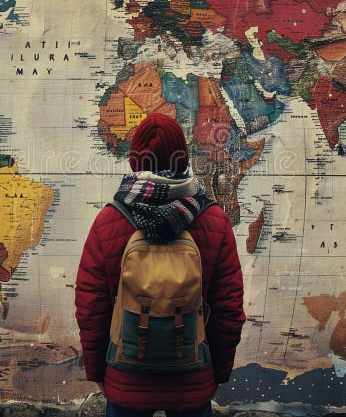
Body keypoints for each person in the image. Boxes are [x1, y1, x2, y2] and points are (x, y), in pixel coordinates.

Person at [75, 112, 246, 416]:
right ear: (182, 159)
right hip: (192, 374)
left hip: (125, 373)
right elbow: (229, 310)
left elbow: (91, 308)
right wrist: (216, 373)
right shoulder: (213, 220)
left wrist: (99, 372)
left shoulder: (109, 221)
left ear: (134, 161)